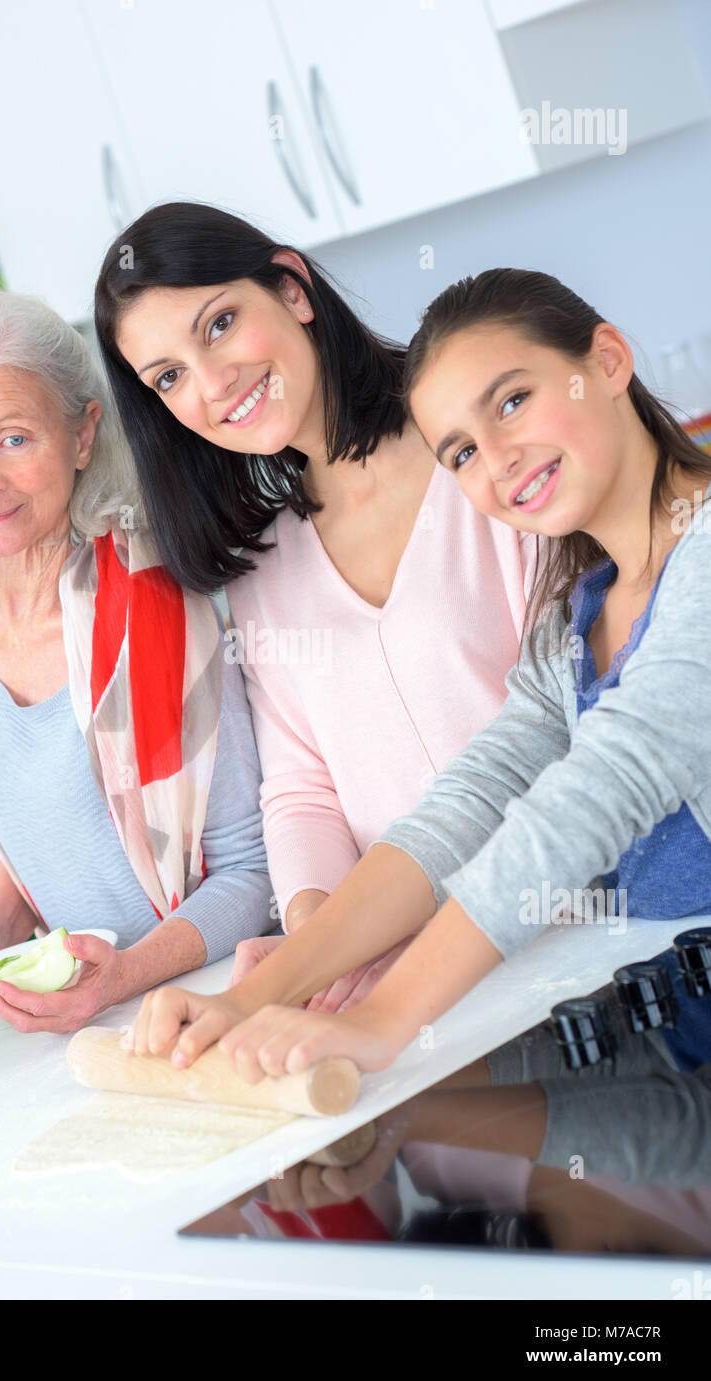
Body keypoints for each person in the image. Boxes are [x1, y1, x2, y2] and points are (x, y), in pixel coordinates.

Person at [126, 267, 711, 1075]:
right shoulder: (576, 623)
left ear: (607, 360)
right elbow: (463, 807)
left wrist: (381, 1022)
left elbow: (603, 785)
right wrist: (250, 998)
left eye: (511, 401)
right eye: (462, 451)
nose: (499, 458)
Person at [94, 203, 537, 1006]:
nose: (212, 383)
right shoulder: (264, 567)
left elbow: (560, 726)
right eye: (167, 377)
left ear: (293, 288)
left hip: (563, 932)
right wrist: (312, 928)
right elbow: (301, 788)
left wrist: (349, 942)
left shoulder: (477, 458)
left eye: (220, 323)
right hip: (403, 970)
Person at [0, 287, 272, 1033]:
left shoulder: (161, 601)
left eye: (13, 438)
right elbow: (52, 815)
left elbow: (254, 874)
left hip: (214, 1008)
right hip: (92, 1025)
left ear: (83, 434)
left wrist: (128, 977)